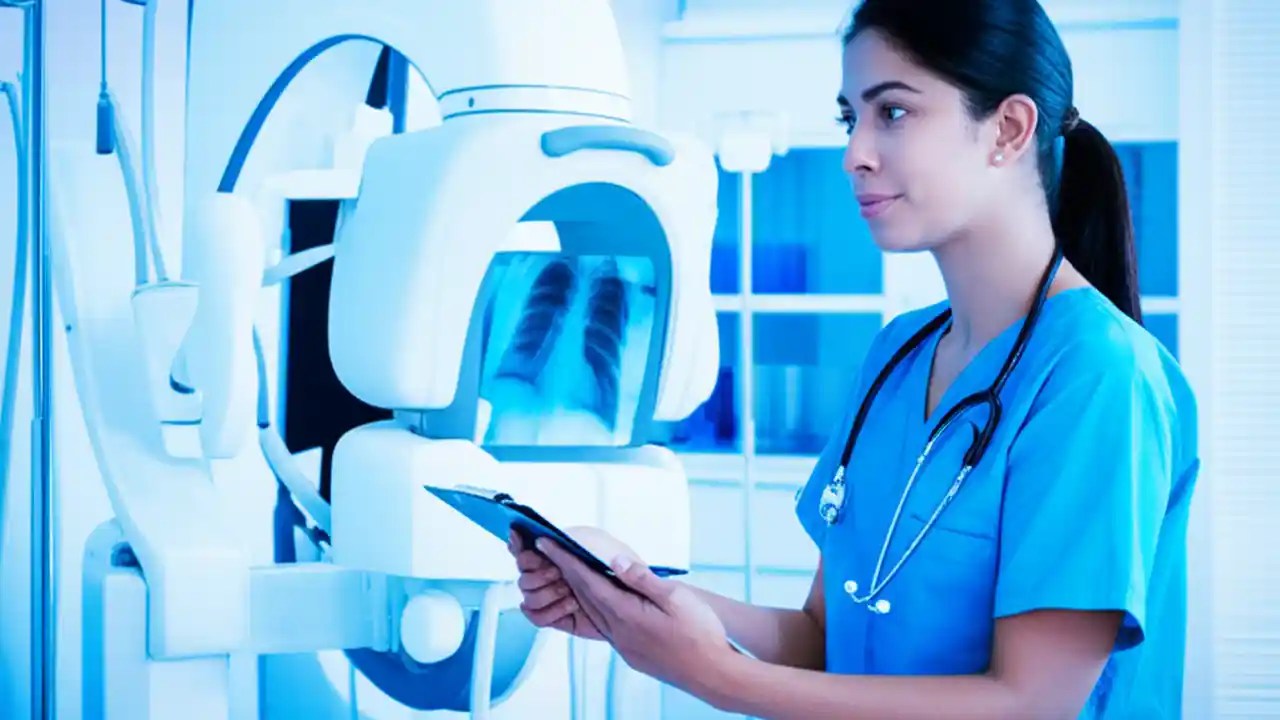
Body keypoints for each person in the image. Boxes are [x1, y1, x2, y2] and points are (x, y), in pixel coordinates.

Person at [506, 0, 1201, 717]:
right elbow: (823, 638)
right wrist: (639, 603)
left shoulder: (1099, 376)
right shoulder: (897, 355)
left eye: (892, 113)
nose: (854, 153)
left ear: (1009, 129)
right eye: (850, 119)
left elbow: (1026, 704)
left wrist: (710, 675)